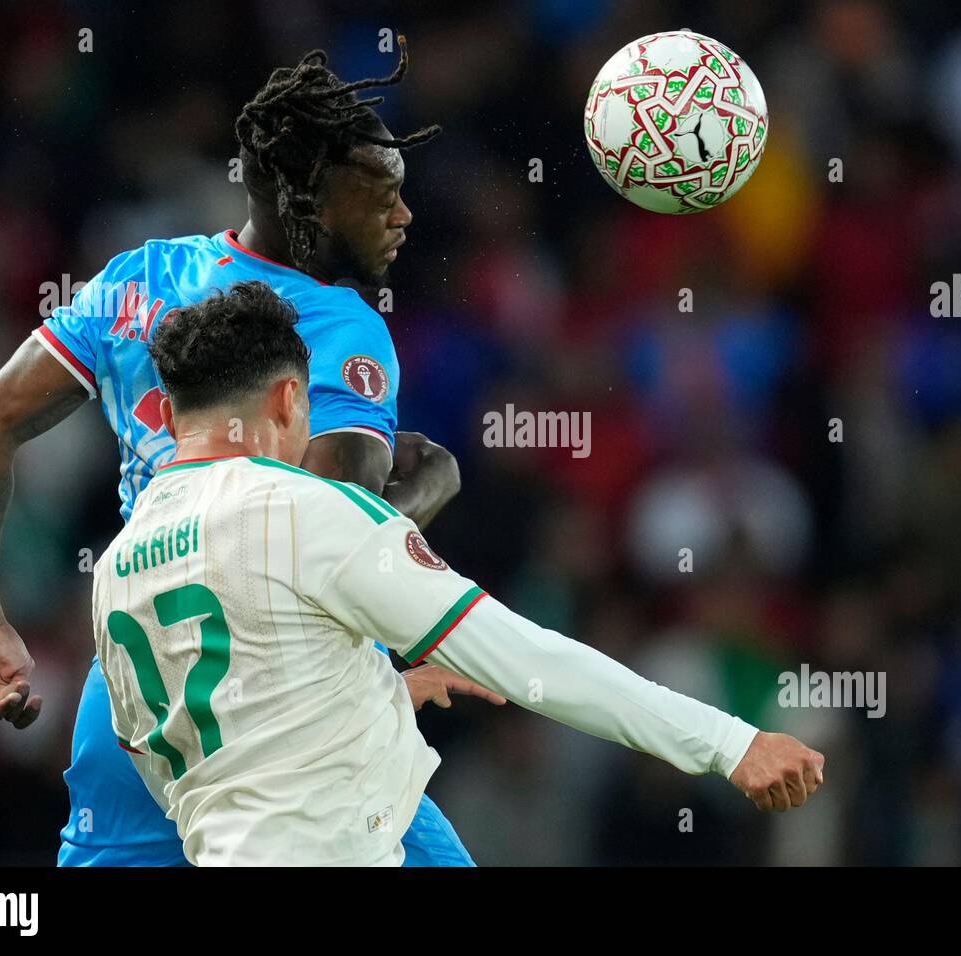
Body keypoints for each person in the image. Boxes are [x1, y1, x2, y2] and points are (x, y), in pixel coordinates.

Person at [0, 38, 493, 867]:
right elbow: (322, 534)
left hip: (137, 688)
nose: (404, 216)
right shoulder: (340, 327)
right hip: (288, 699)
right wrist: (428, 490)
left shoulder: (135, 278)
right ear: (305, 197)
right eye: (379, 195)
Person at [91, 280, 826, 865]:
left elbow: (172, 752)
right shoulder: (307, 510)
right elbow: (522, 656)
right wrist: (729, 743)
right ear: (288, 397)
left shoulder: (117, 567)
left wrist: (369, 696)